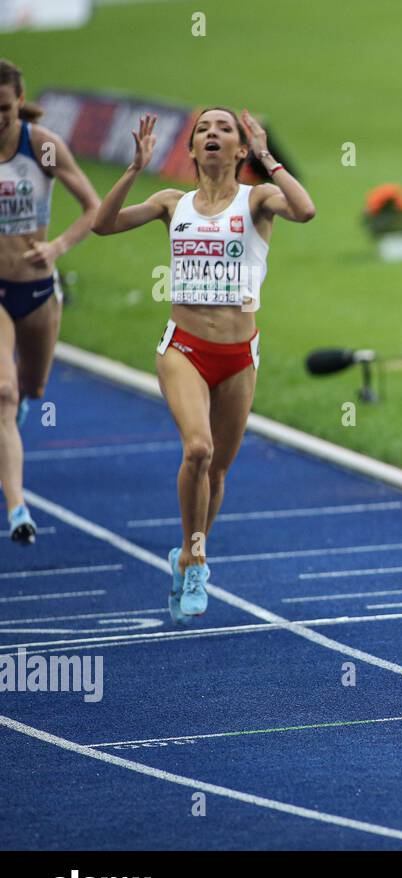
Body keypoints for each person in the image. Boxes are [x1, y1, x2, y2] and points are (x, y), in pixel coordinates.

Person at [92, 109, 315, 620]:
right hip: (184, 349)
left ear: (240, 149)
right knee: (197, 449)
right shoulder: (172, 203)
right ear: (191, 150)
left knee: (216, 472)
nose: (212, 134)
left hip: (239, 356)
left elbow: (306, 211)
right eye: (202, 130)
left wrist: (269, 158)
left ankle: (190, 551)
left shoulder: (256, 199)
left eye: (224, 129)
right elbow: (102, 226)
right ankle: (195, 561)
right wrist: (133, 170)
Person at [0, 59, 101, 543]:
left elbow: (93, 207)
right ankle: (18, 509)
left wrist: (58, 247)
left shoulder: (39, 147)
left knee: (32, 390)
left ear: (19, 102)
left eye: (3, 108)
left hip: (37, 288)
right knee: (3, 392)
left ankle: (20, 408)